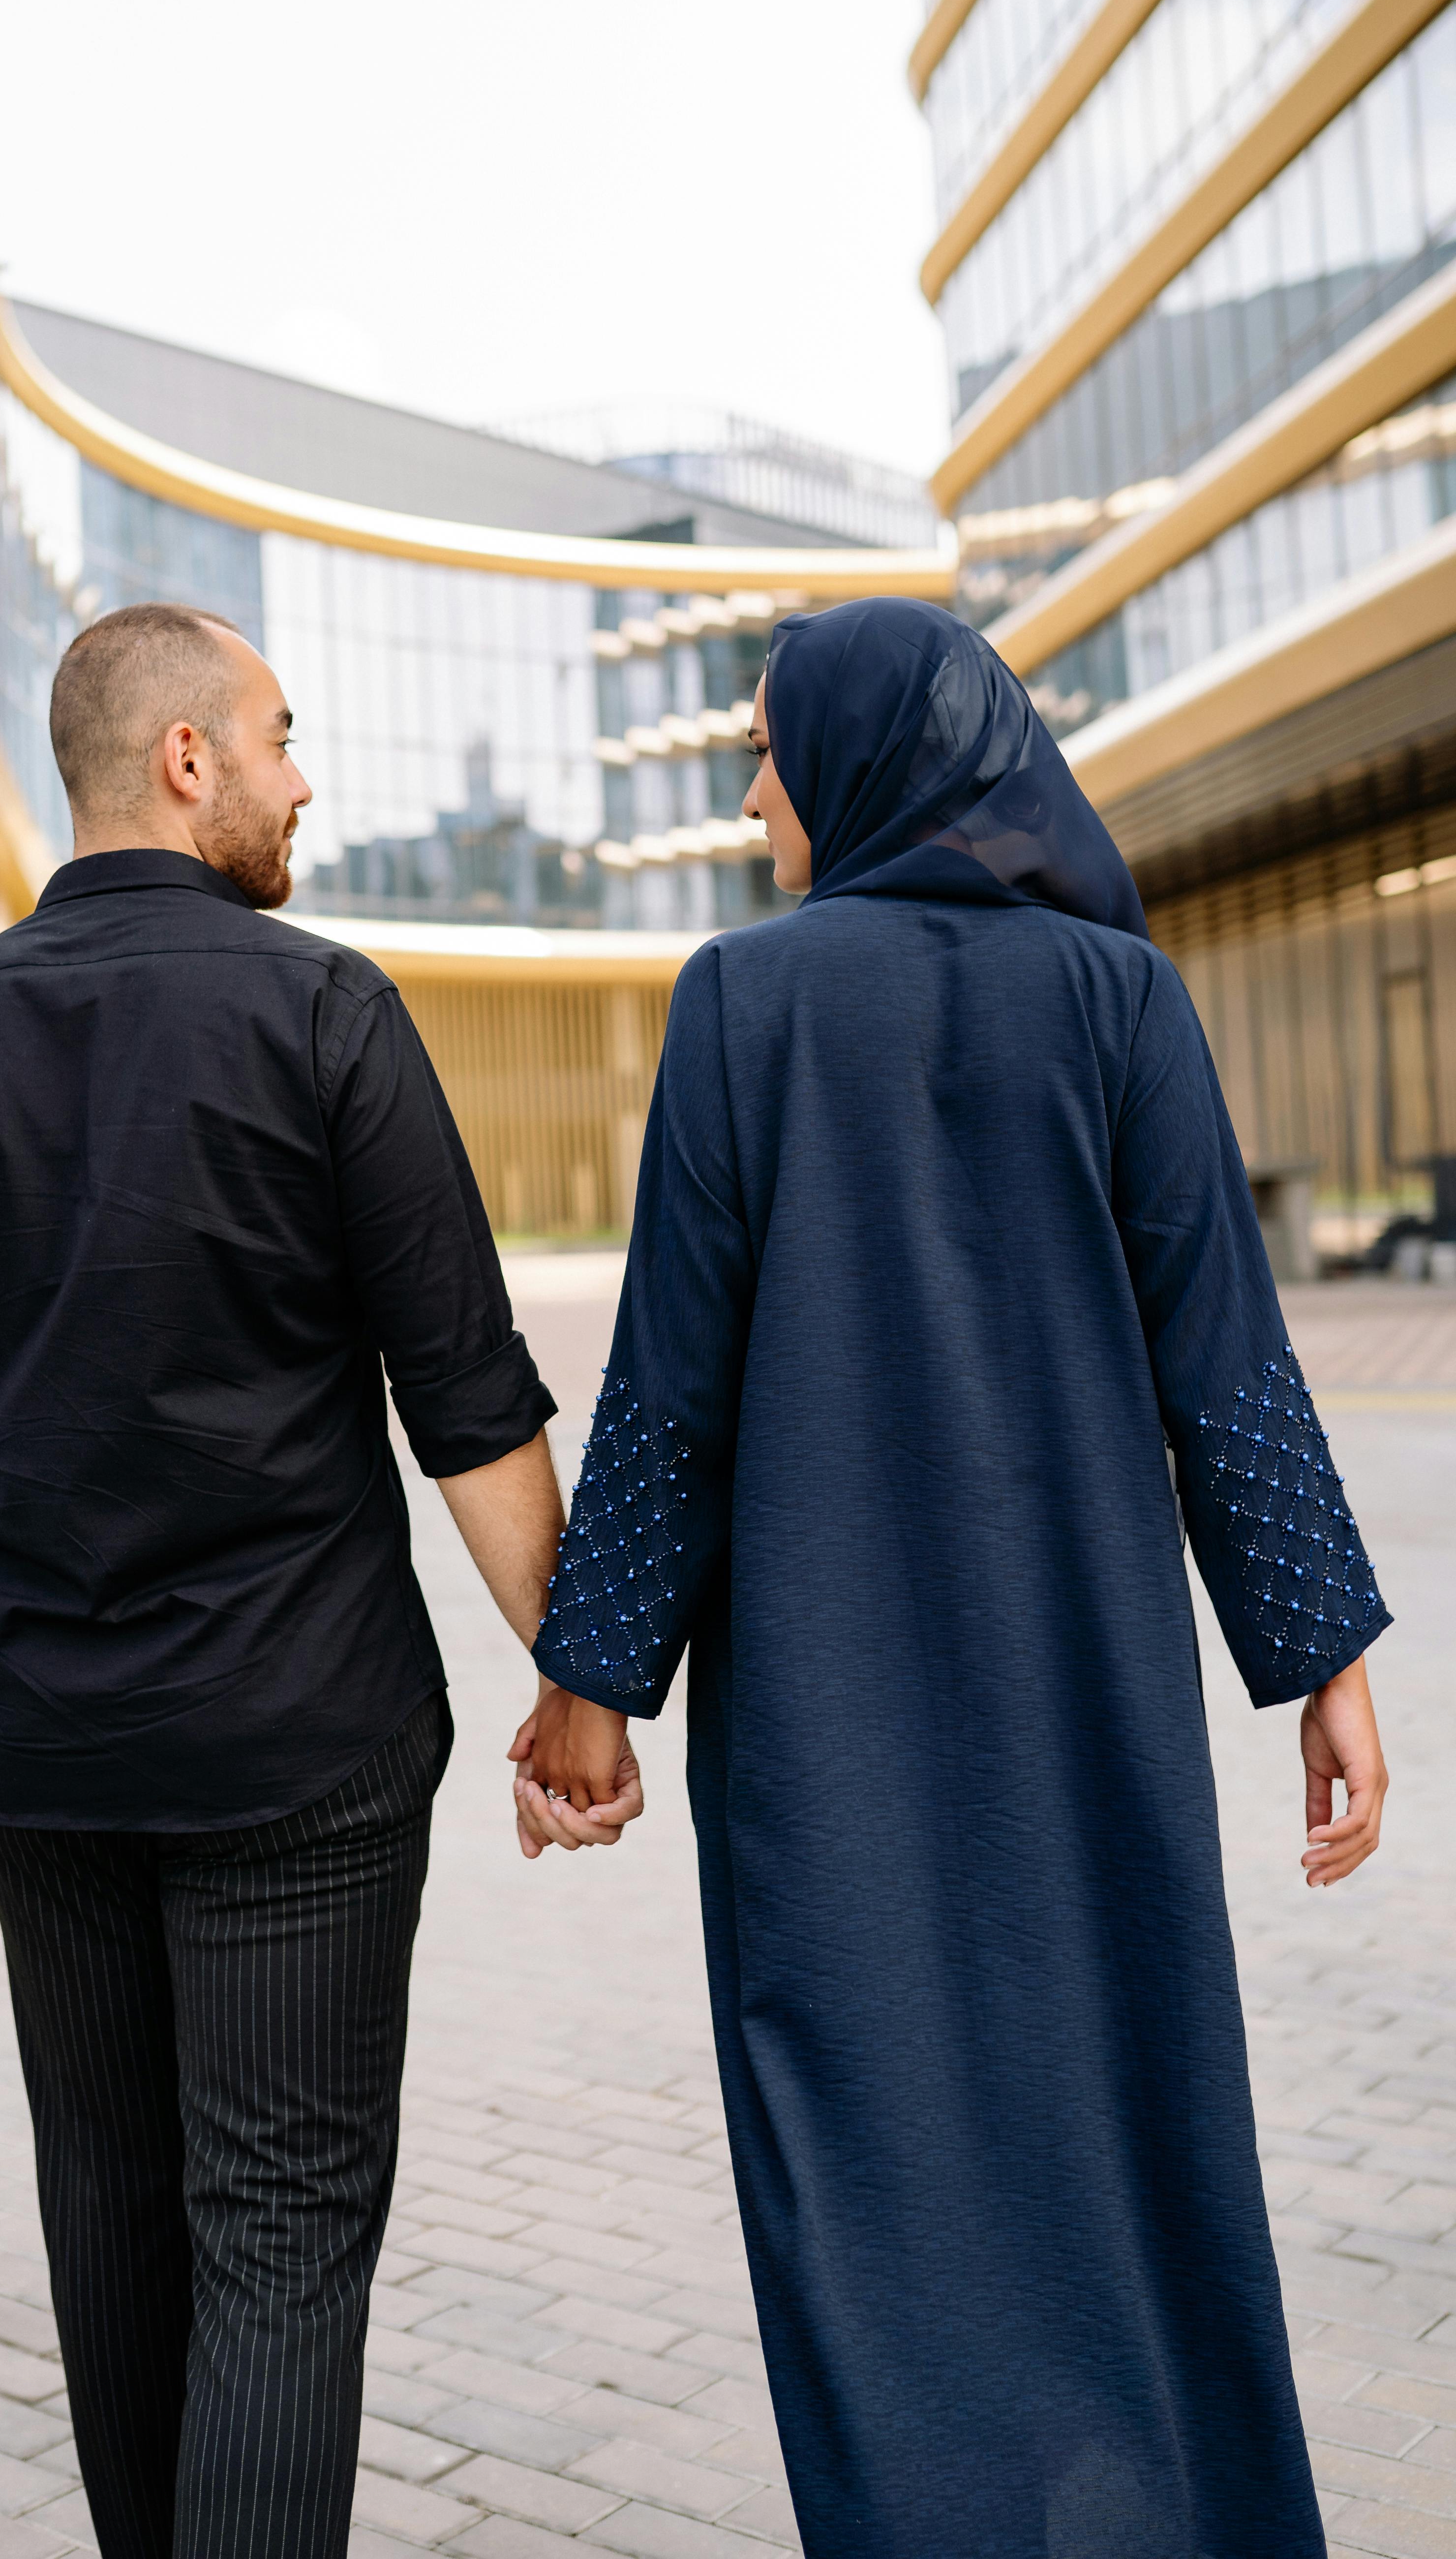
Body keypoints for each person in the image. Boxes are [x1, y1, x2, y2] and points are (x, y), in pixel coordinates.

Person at [515, 600, 1391, 2559]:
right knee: (1128, 2120)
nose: (751, 793)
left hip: (821, 1714)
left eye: (765, 748)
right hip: (1092, 1693)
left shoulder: (743, 1002)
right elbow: (1224, 1358)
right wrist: (1318, 1657)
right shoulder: (1120, 999)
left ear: (856, 758)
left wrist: (591, 1684)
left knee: (861, 2150)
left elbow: (670, 1389)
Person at [0, 601, 630, 2559]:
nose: (301, 776)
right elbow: (468, 1400)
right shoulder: (323, 1011)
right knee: (276, 2239)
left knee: (108, 2206)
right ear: (184, 758)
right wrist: (575, 1681)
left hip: (45, 1748)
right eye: (278, 734)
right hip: (301, 1752)